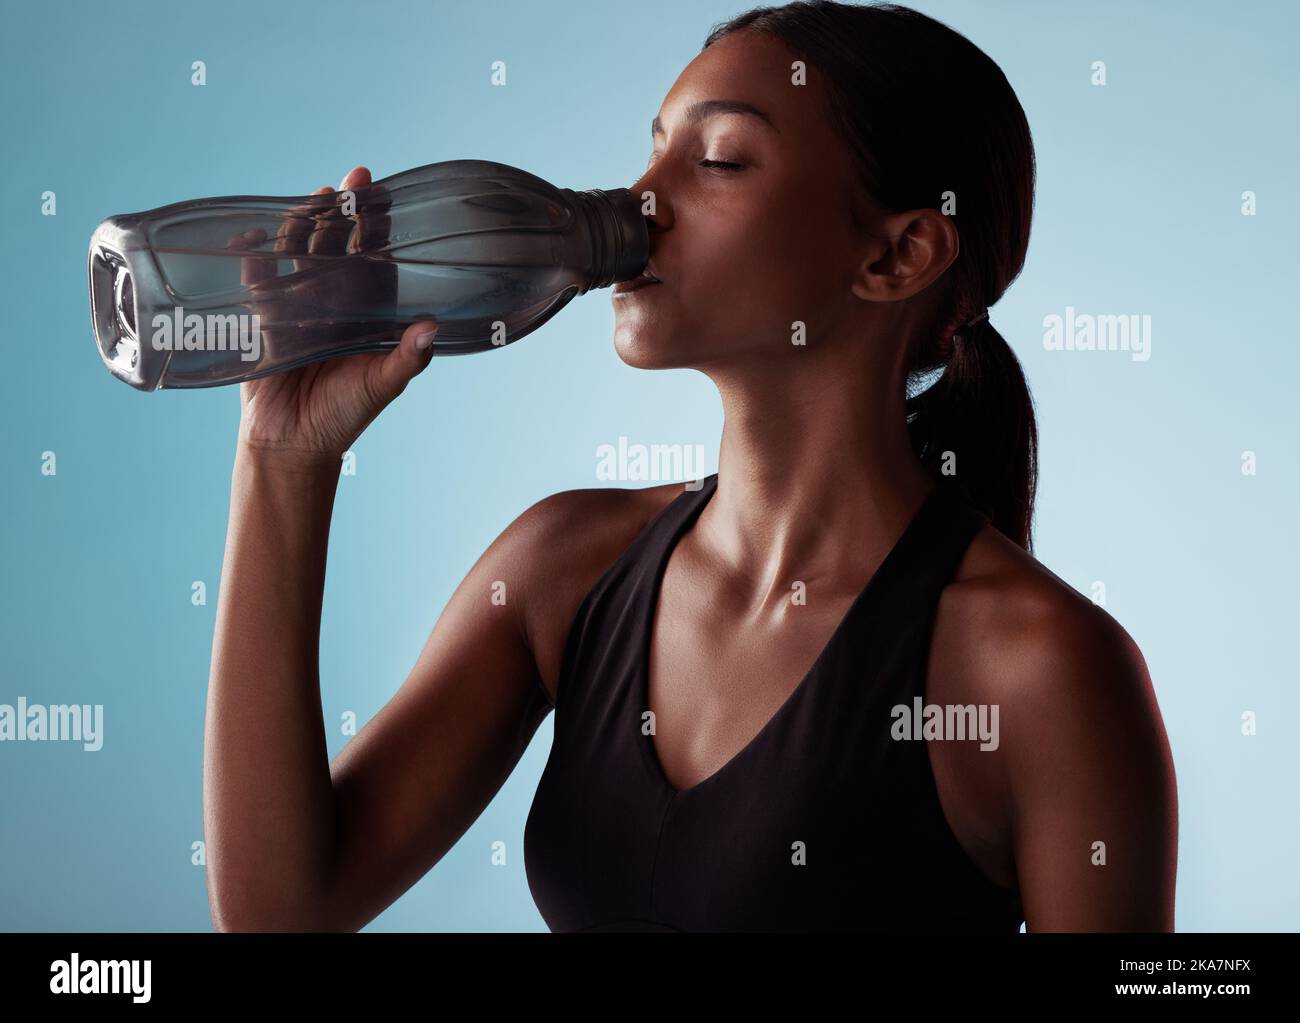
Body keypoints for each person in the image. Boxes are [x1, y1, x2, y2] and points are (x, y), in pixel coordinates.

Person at [204, 0, 1177, 932]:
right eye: (655, 145)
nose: (639, 199)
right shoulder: (562, 568)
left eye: (718, 159)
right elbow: (285, 910)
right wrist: (284, 457)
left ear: (897, 255)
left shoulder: (1037, 672)